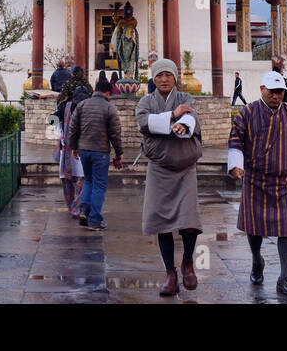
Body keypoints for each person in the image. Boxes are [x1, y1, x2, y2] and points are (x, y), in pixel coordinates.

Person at [228, 71, 287, 296]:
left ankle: (285, 277)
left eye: (280, 92)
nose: (276, 96)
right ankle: (257, 260)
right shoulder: (247, 112)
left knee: (286, 229)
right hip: (255, 179)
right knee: (254, 226)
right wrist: (236, 165)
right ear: (262, 89)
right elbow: (236, 139)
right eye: (272, 92)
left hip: (284, 180)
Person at [135, 58, 203, 296]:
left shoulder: (186, 98)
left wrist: (184, 124)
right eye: (159, 75)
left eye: (168, 75)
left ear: (175, 78)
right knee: (161, 224)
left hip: (185, 169)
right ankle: (170, 273)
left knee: (189, 221)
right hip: (159, 169)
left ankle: (187, 261)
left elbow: (192, 117)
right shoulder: (146, 102)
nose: (164, 80)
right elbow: (144, 123)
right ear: (153, 79)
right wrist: (173, 115)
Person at [68, 72, 123, 229]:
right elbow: (115, 133)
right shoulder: (109, 107)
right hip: (100, 151)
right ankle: (95, 220)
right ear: (107, 93)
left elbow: (73, 128)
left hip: (84, 150)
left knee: (88, 181)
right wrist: (119, 152)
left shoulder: (82, 105)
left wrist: (74, 147)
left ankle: (84, 212)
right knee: (99, 185)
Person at [53, 66, 91, 214]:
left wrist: (59, 133)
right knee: (84, 179)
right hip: (85, 149)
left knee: (68, 180)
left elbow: (51, 119)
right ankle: (79, 206)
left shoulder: (66, 107)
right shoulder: (89, 106)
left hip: (68, 151)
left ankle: (72, 206)